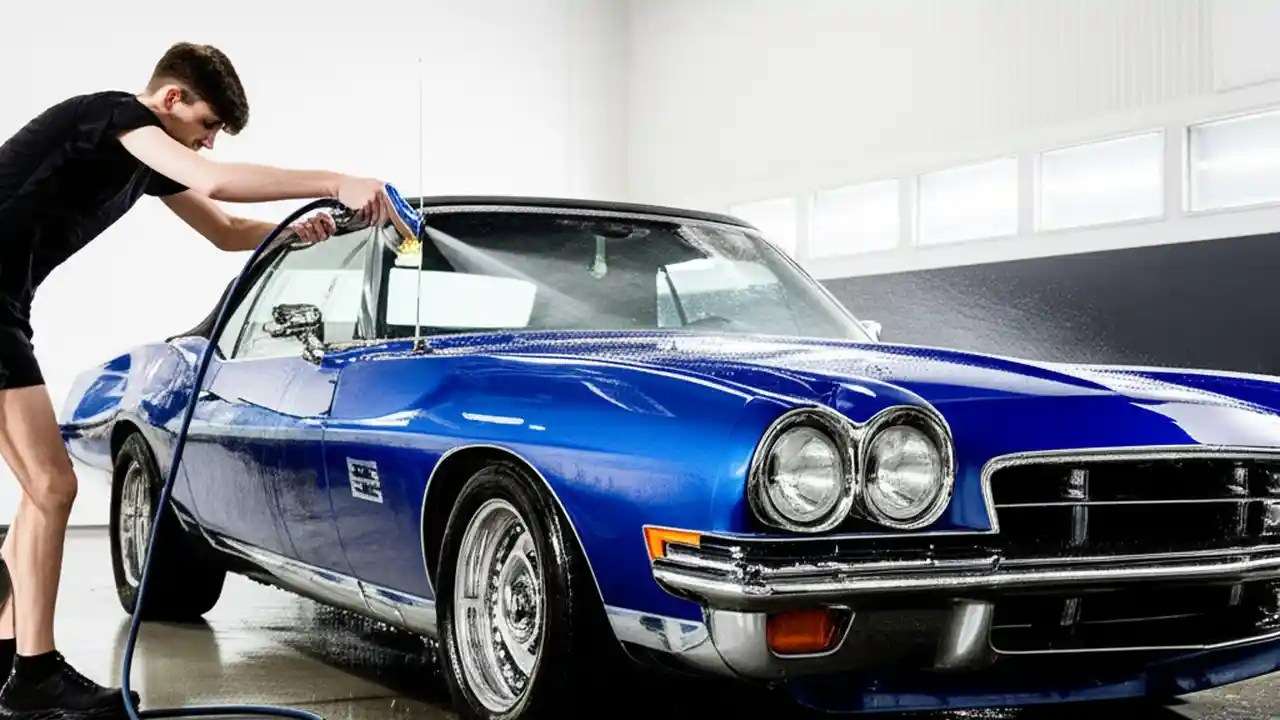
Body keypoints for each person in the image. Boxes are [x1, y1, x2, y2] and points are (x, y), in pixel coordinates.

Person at [0, 42, 395, 718]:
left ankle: (12, 659)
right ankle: (34, 678)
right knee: (52, 485)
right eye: (207, 125)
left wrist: (302, 233)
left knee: (41, 492)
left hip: (8, 306)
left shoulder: (143, 159)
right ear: (172, 99)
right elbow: (214, 182)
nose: (208, 142)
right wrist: (336, 180)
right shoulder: (116, 115)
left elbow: (225, 228)